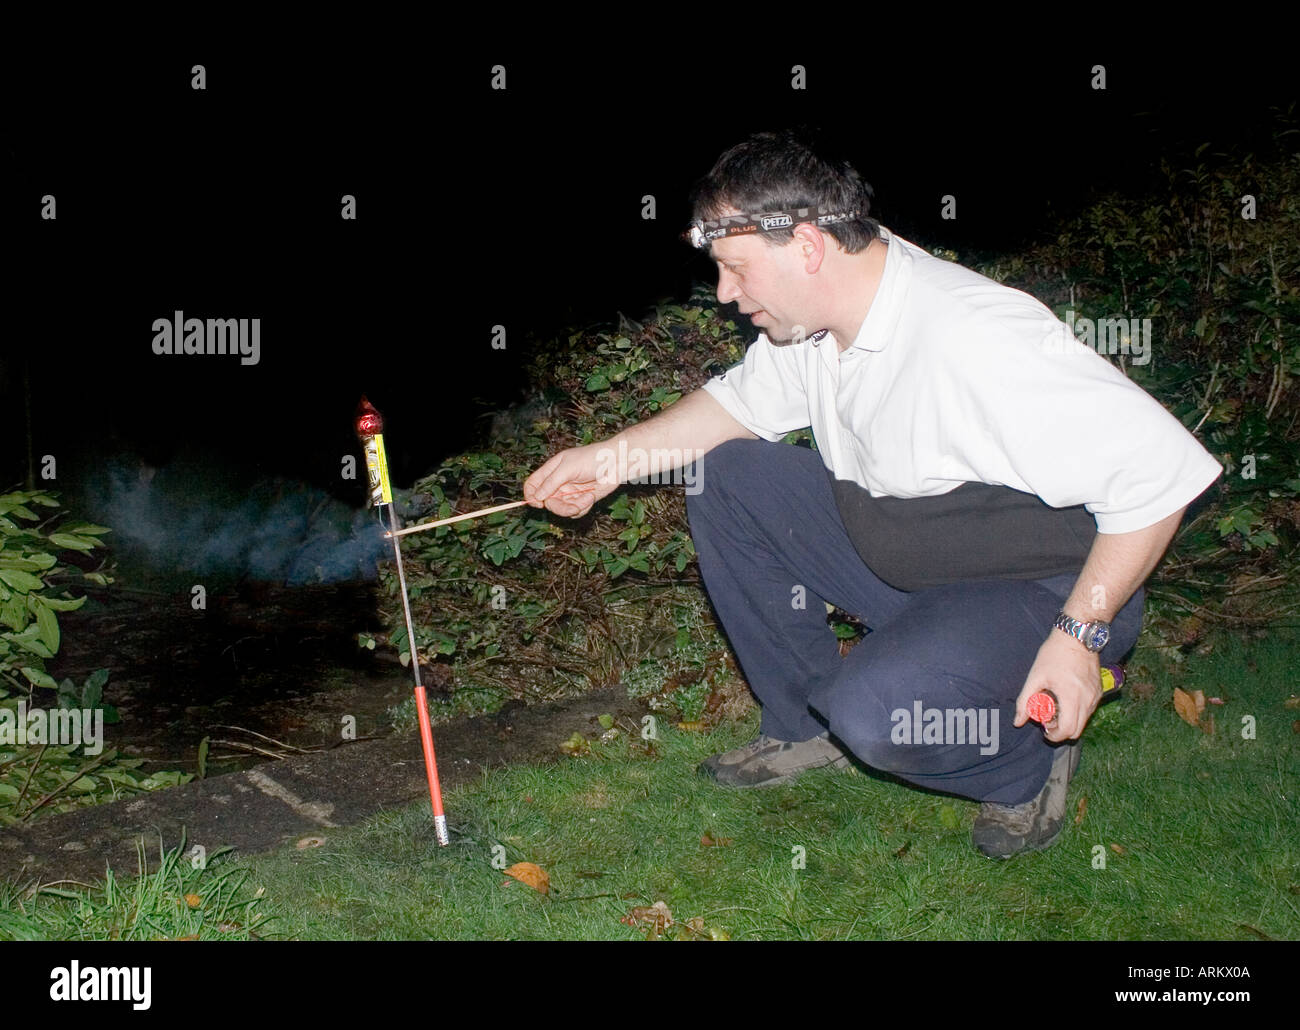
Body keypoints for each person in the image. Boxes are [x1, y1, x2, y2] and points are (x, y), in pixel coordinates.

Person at [522, 130, 1222, 858]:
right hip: (908, 560)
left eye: (734, 269)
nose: (726, 293)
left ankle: (1024, 763)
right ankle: (802, 725)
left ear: (806, 247)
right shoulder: (818, 326)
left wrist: (1079, 637)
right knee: (729, 475)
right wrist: (611, 458)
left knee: (880, 716)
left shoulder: (976, 336)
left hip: (1042, 591)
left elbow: (1160, 474)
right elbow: (735, 409)